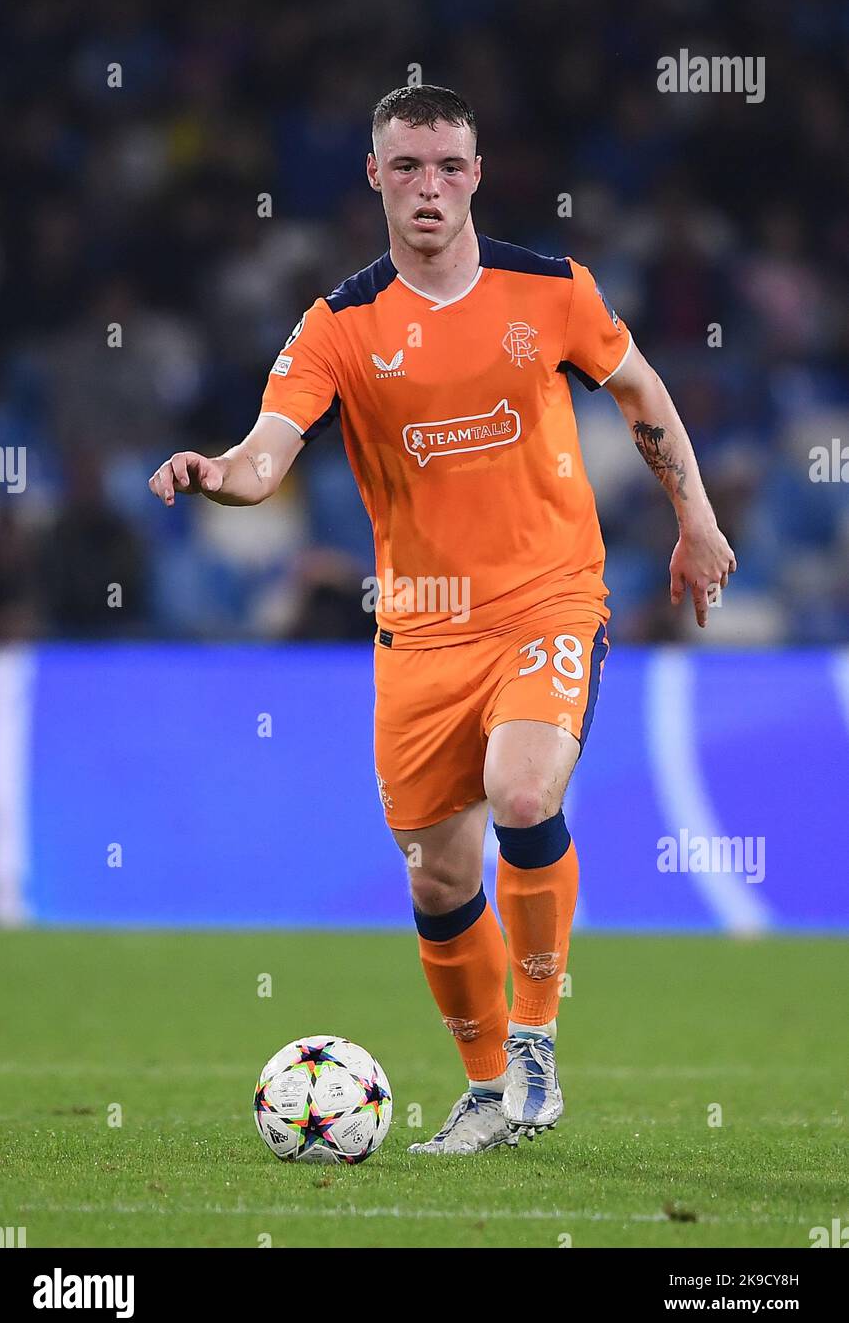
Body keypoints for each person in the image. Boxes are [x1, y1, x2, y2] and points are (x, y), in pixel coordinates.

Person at [149, 85, 736, 1154]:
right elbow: (266, 451)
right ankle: (484, 1093)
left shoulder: (551, 289)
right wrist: (216, 474)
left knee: (521, 793)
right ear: (372, 175)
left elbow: (643, 395)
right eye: (407, 166)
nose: (429, 187)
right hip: (418, 627)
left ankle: (534, 1045)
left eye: (449, 166)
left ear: (478, 172)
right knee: (439, 875)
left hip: (547, 597)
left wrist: (693, 521)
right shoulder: (338, 325)